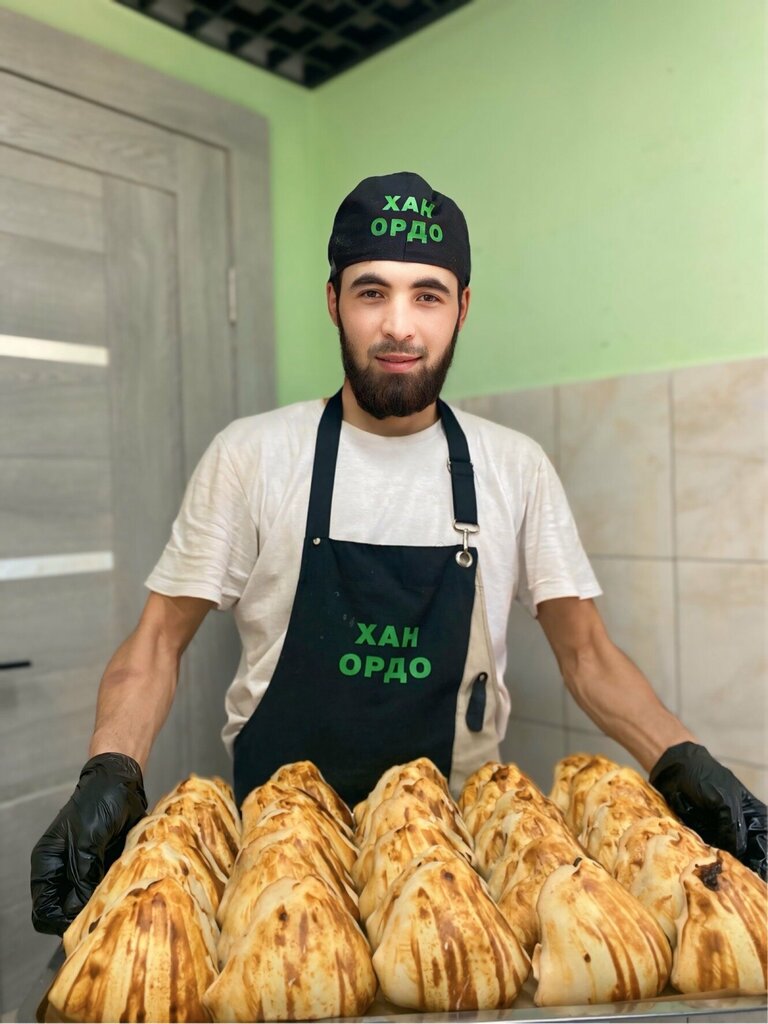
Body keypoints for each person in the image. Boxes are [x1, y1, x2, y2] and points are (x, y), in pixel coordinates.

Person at [31, 171, 766, 935]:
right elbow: (157, 641)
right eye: (372, 292)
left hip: (457, 864)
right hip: (276, 861)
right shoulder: (253, 457)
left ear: (462, 307)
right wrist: (110, 771)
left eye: (428, 295)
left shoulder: (513, 467)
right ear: (333, 301)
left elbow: (588, 656)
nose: (399, 326)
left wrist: (686, 761)